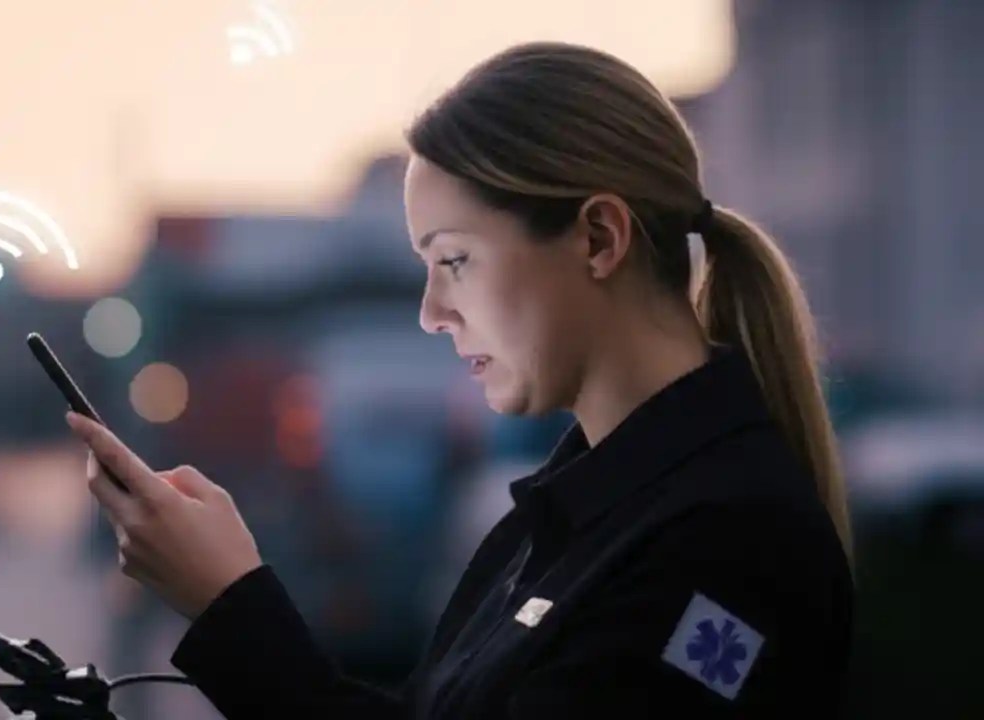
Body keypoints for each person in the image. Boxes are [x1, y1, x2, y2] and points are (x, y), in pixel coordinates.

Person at [65, 40, 854, 718]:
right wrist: (228, 595)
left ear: (599, 239)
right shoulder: (572, 511)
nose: (432, 312)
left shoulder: (728, 545)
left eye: (455, 261)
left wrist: (232, 611)